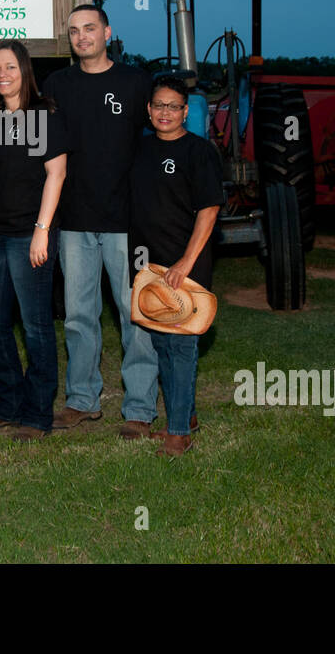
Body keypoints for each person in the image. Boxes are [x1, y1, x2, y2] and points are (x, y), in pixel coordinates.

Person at [41, 3, 156, 438]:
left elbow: (161, 137)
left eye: (90, 28)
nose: (82, 36)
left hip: (127, 221)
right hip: (73, 219)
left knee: (136, 315)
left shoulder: (135, 81)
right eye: (74, 31)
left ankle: (140, 408)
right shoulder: (57, 84)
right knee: (78, 316)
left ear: (108, 32)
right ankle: (82, 400)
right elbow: (43, 148)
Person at [0, 41, 67, 440]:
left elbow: (56, 175)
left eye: (10, 67)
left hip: (30, 234)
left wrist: (42, 231)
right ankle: (7, 404)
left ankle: (38, 413)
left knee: (35, 325)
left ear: (25, 71)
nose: (2, 75)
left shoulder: (45, 115)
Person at [129, 77, 224, 456]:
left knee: (182, 344)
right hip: (147, 263)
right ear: (148, 110)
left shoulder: (199, 152)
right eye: (158, 105)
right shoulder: (139, 148)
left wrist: (187, 261)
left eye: (173, 106)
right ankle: (186, 415)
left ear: (185, 112)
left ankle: (178, 431)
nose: (165, 112)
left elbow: (210, 208)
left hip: (185, 263)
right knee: (161, 342)